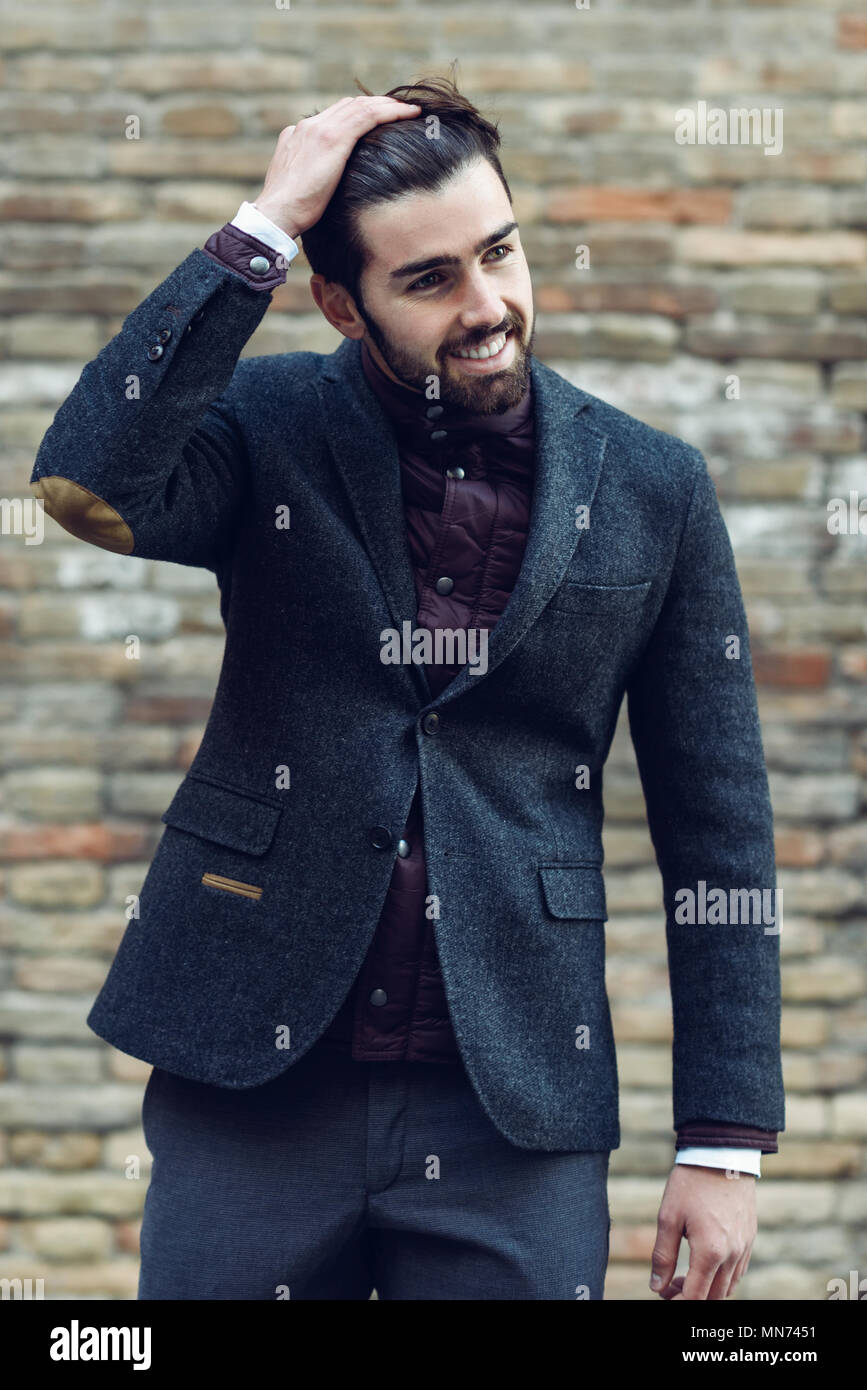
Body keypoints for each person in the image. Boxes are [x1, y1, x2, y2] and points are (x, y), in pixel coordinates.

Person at [30, 73, 784, 1301]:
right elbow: (85, 479)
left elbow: (721, 834)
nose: (488, 304)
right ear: (340, 301)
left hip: (514, 1104)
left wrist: (725, 1139)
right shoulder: (264, 425)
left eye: (501, 252)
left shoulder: (657, 487)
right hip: (254, 1082)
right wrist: (262, 223)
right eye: (430, 280)